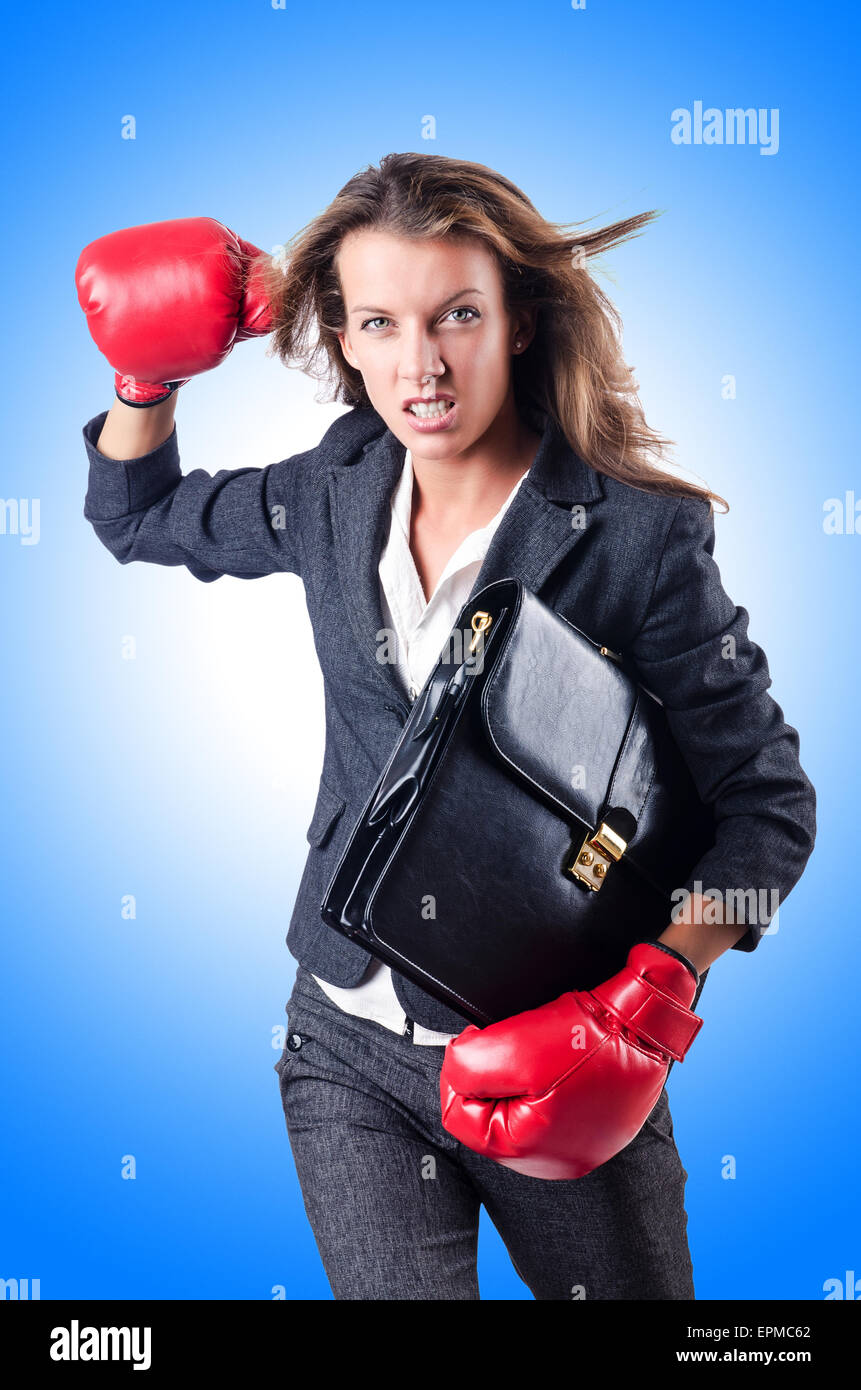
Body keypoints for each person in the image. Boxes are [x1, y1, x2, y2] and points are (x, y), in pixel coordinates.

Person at [77, 152, 816, 1300]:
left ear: (516, 321)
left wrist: (651, 999)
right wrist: (144, 377)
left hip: (550, 1057)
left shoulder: (636, 534)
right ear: (346, 337)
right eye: (380, 322)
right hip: (344, 1044)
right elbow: (137, 515)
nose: (420, 364)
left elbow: (771, 808)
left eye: (456, 314)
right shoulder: (335, 481)